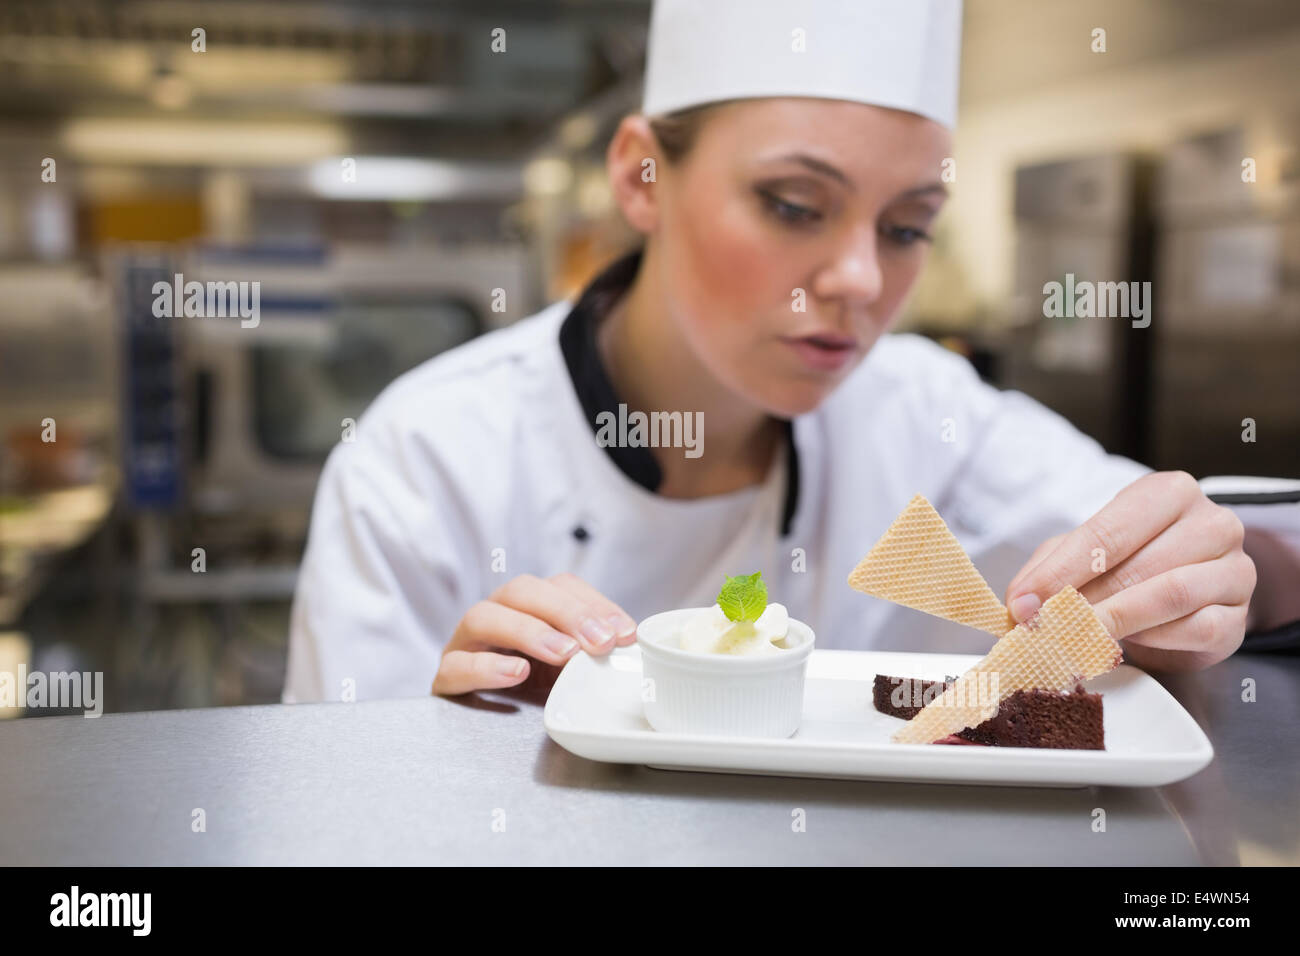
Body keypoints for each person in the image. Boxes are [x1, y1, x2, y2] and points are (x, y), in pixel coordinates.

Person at [282, 0, 1299, 704]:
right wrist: (441, 755)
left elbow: (1212, 544)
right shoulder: (425, 460)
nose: (860, 278)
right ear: (641, 175)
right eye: (793, 204)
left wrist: (1225, 569)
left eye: (906, 225)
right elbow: (338, 813)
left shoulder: (924, 416)